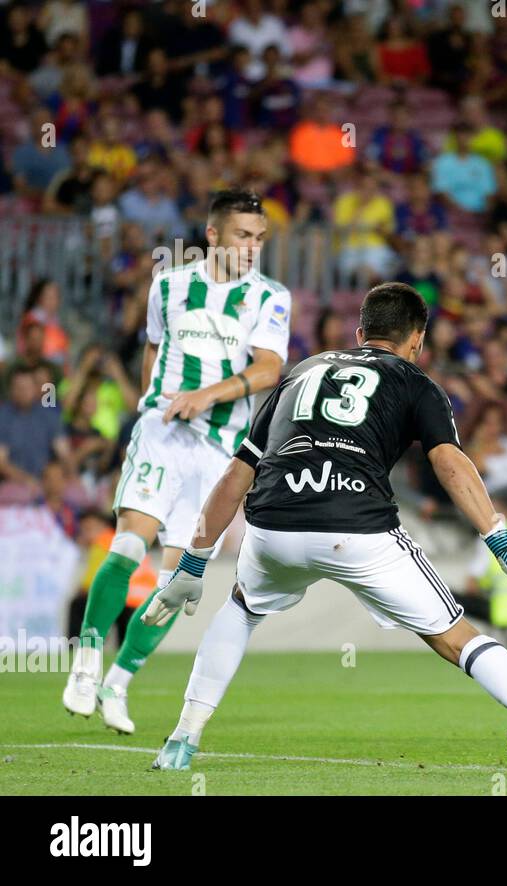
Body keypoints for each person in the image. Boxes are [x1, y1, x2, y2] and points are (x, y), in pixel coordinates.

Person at [142, 283, 507, 778]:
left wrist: (193, 561)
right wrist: (501, 541)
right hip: (355, 530)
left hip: (274, 525)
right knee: (457, 638)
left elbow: (236, 475)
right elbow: (450, 463)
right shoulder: (416, 382)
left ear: (361, 333)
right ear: (417, 341)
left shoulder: (301, 373)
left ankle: (183, 739)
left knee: (241, 608)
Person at [62, 190, 292, 734]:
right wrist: (153, 403)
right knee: (126, 543)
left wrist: (206, 396)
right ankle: (86, 663)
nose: (252, 247)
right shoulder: (167, 284)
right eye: (243, 235)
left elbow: (269, 369)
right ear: (212, 235)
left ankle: (118, 683)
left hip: (220, 452)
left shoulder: (270, 297)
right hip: (163, 434)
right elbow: (152, 347)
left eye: (259, 238)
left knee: (176, 582)